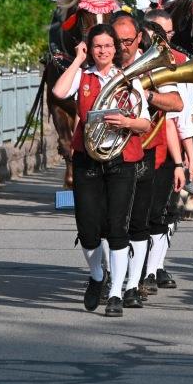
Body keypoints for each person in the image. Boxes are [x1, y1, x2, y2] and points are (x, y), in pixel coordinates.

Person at [51, 23, 153, 317]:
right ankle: (97, 276)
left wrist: (128, 123)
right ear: (90, 48)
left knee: (118, 227)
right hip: (88, 158)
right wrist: (78, 60)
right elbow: (59, 91)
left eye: (108, 46)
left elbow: (145, 122)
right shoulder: (82, 75)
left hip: (122, 159)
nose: (103, 51)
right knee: (87, 230)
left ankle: (117, 293)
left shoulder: (128, 80)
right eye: (97, 46)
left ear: (116, 49)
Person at [112, 13, 183, 309]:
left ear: (139, 39)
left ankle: (133, 281)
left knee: (140, 219)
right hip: (110, 149)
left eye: (127, 41)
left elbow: (176, 104)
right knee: (109, 221)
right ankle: (108, 276)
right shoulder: (104, 61)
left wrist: (146, 93)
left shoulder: (153, 62)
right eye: (117, 41)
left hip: (145, 147)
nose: (121, 47)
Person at [143, 10, 193, 292]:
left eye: (169, 34)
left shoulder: (179, 62)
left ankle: (156, 265)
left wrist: (189, 157)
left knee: (167, 212)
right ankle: (144, 269)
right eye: (158, 33)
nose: (165, 39)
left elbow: (183, 115)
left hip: (170, 145)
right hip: (145, 145)